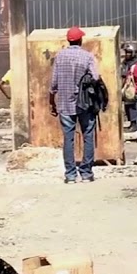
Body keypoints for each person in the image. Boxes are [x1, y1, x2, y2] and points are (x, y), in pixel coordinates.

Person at [50, 26, 99, 183]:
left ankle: (70, 175)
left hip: (65, 102)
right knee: (88, 135)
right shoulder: (87, 56)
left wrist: (52, 102)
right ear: (80, 40)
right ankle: (86, 173)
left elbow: (54, 83)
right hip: (85, 103)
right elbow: (96, 77)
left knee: (68, 138)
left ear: (68, 40)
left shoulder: (59, 56)